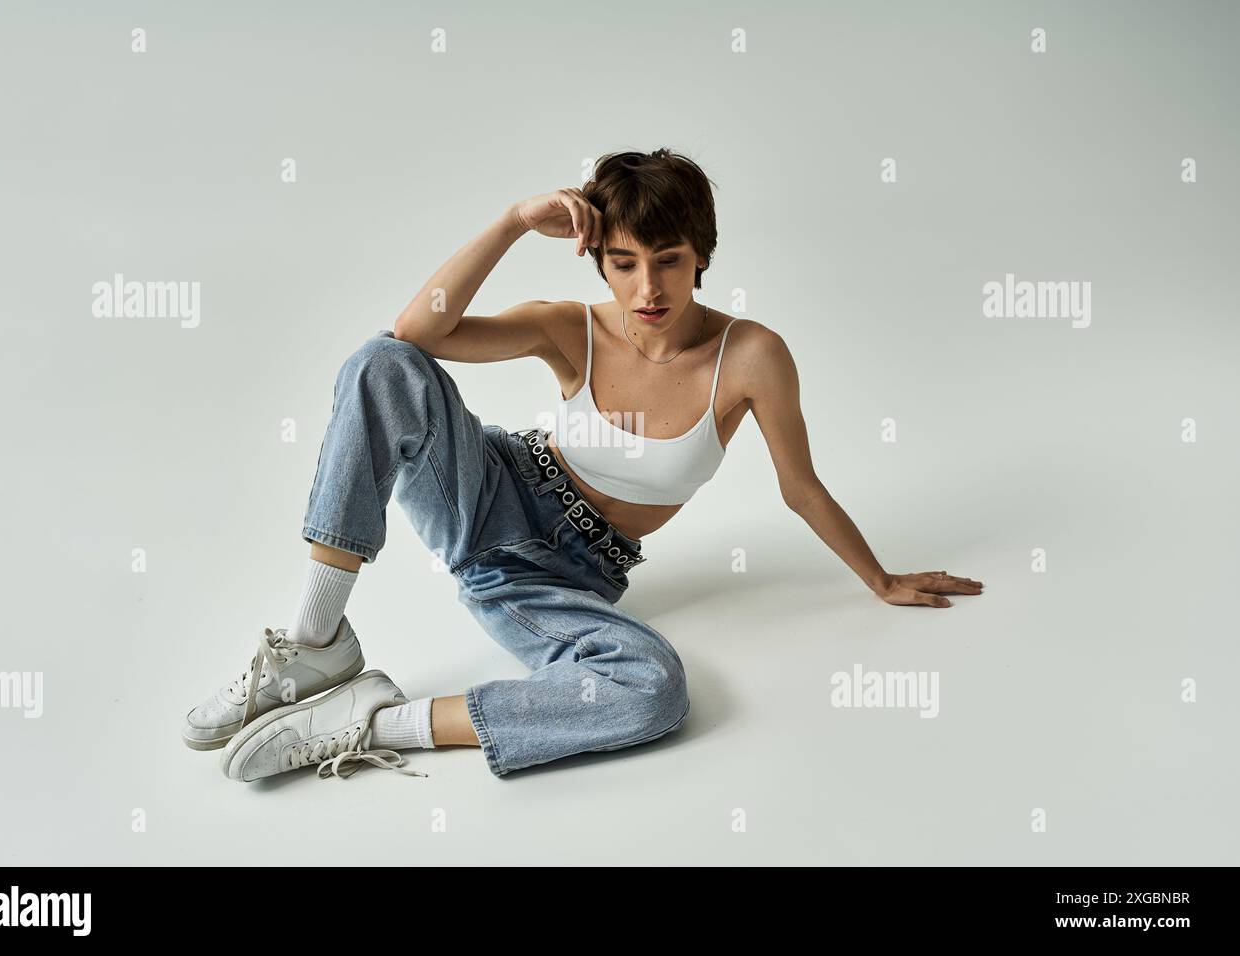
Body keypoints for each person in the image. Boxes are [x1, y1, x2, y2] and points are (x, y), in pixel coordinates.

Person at [181, 148, 985, 784]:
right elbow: (414, 336)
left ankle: (368, 722)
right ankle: (316, 638)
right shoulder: (573, 327)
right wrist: (510, 222)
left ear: (701, 254)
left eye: (667, 260)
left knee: (654, 691)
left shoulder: (752, 357)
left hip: (561, 577)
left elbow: (799, 488)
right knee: (380, 362)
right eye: (624, 262)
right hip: (493, 485)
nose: (647, 288)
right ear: (599, 259)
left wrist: (878, 580)